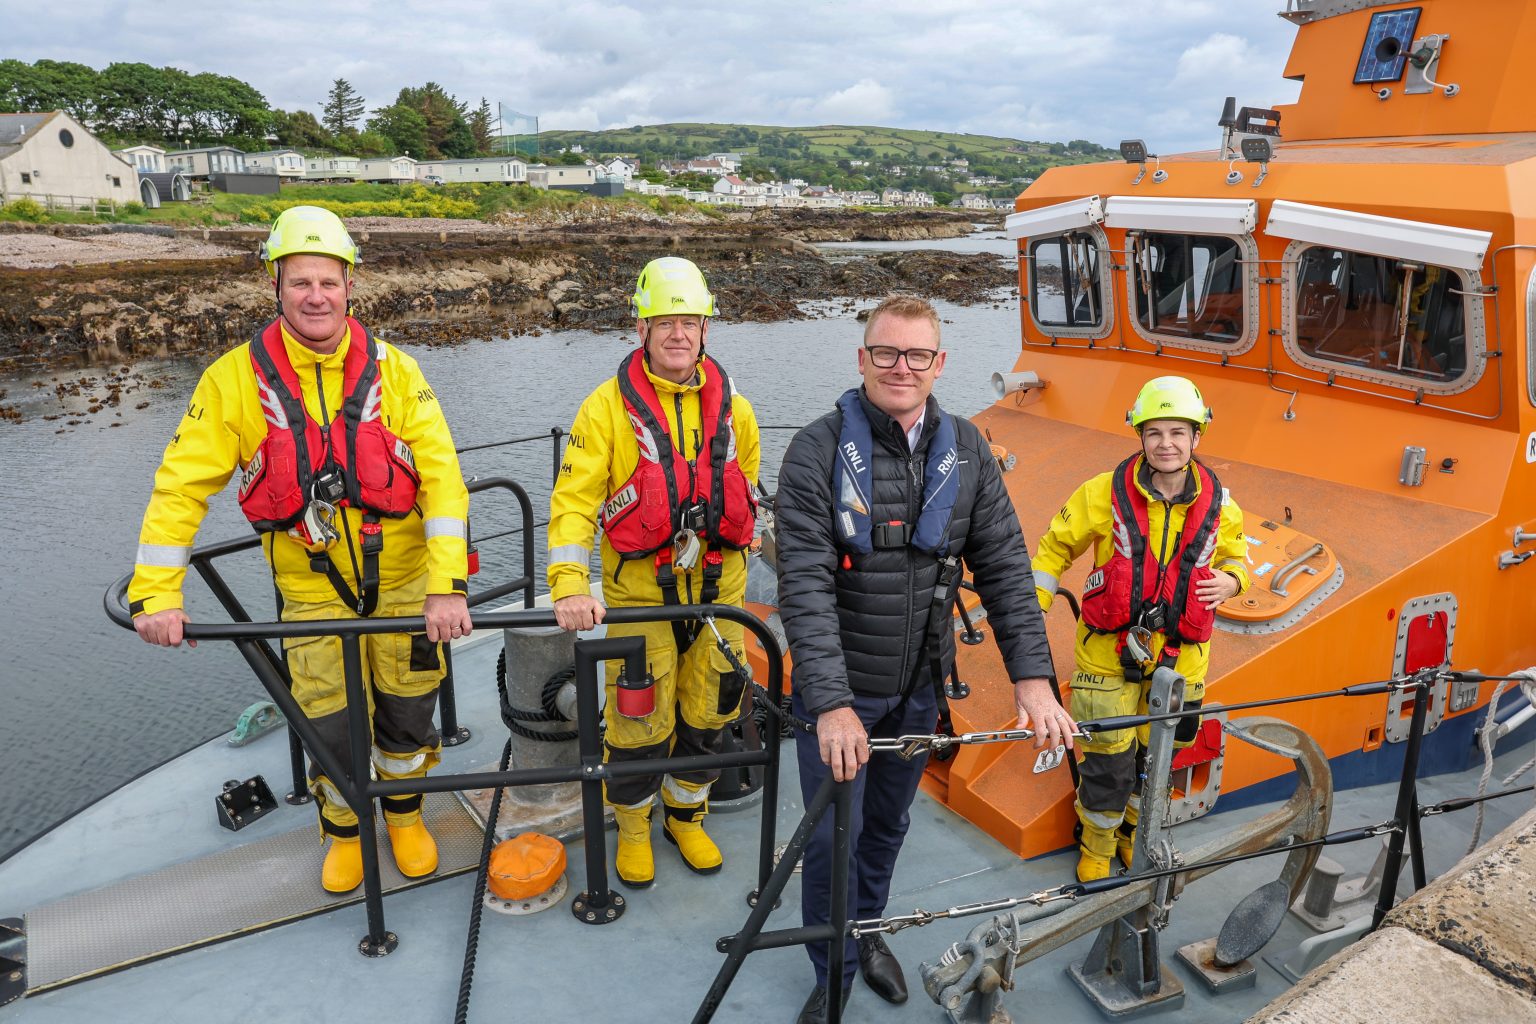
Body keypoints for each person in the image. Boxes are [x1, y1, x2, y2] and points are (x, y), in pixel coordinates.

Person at [129, 205, 470, 894]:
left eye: (329, 281)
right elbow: (179, 489)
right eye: (300, 282)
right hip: (311, 593)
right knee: (330, 725)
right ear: (275, 287)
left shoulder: (399, 373)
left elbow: (444, 482)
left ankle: (404, 816)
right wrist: (158, 594)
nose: (316, 295)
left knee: (409, 713)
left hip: (405, 585)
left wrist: (447, 585)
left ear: (350, 287)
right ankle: (345, 831)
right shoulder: (231, 381)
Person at [775, 295, 1070, 1023]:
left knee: (885, 827)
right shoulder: (815, 452)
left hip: (916, 693)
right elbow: (804, 587)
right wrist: (832, 704)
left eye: (916, 356)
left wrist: (1034, 682)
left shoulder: (966, 451)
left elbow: (1004, 568)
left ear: (940, 365)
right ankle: (834, 970)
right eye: (885, 353)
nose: (899, 368)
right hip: (838, 696)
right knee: (831, 838)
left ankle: (869, 932)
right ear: (861, 359)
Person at [548, 256, 760, 888]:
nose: (678, 334)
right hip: (641, 596)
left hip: (721, 594)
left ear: (705, 330)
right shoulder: (603, 411)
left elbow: (745, 487)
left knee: (710, 715)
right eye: (665, 321)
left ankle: (685, 817)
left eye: (689, 322)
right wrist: (567, 584)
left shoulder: (736, 411)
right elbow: (573, 504)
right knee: (637, 725)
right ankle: (635, 828)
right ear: (640, 327)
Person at [1032, 375, 1250, 883]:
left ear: (1197, 437)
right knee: (1108, 759)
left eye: (1178, 432)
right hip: (1107, 653)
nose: (1166, 444)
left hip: (1181, 660)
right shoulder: (1099, 495)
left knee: (1157, 759)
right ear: (1139, 435)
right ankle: (1096, 846)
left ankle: (1135, 835)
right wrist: (1032, 608)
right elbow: (1053, 549)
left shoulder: (1224, 505)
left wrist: (1232, 582)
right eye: (1155, 432)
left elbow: (1238, 557)